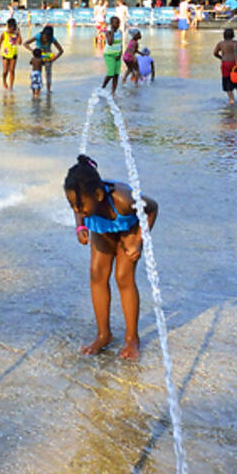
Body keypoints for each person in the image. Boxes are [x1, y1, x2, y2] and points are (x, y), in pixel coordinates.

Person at [64, 154, 158, 360]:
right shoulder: (83, 201)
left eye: (81, 206)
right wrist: (80, 225)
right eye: (73, 206)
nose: (78, 210)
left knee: (123, 278)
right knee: (97, 275)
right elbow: (78, 208)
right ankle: (103, 335)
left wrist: (138, 241)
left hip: (128, 228)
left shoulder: (124, 199)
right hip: (103, 229)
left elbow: (152, 208)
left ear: (98, 194)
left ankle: (132, 338)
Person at [24, 25, 64, 93]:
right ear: (43, 34)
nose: (46, 39)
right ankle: (35, 89)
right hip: (38, 55)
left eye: (47, 38)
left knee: (48, 73)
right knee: (36, 72)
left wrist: (54, 59)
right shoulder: (38, 36)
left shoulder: (52, 39)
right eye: (45, 37)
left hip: (47, 55)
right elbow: (25, 43)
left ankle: (48, 90)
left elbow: (61, 51)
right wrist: (32, 50)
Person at [213, 28, 237, 103]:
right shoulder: (235, 43)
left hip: (225, 64)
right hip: (234, 63)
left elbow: (215, 53)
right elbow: (236, 53)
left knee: (227, 81)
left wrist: (221, 58)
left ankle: (231, 99)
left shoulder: (220, 44)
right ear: (233, 35)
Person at [0, 18, 23, 91]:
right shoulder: (4, 34)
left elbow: (19, 43)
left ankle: (11, 86)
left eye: (12, 28)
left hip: (13, 54)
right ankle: (4, 81)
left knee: (12, 70)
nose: (11, 30)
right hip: (5, 54)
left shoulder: (16, 34)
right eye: (9, 28)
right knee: (5, 71)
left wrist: (19, 33)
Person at [101, 17, 123, 94]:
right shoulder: (108, 32)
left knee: (116, 74)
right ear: (111, 24)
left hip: (117, 55)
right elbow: (110, 43)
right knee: (111, 73)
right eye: (116, 23)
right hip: (109, 55)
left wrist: (120, 53)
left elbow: (121, 44)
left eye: (118, 23)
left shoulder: (120, 32)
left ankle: (113, 92)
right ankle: (102, 87)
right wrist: (112, 33)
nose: (118, 25)